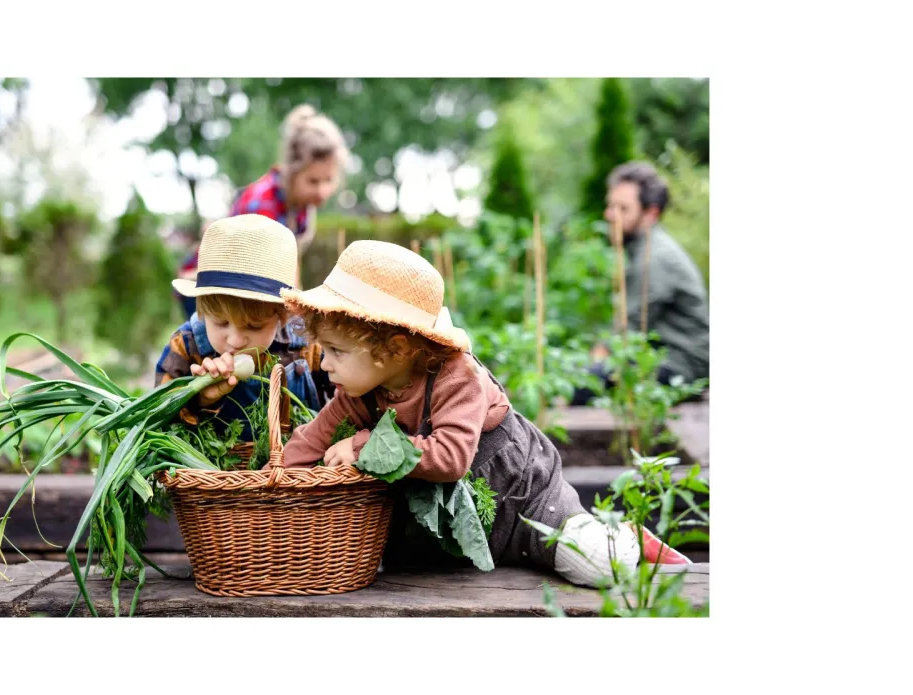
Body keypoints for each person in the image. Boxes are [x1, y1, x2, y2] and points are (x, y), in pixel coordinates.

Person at [255, 239, 688, 588]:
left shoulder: (455, 376)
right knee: (406, 578)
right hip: (447, 530)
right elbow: (310, 440)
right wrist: (261, 488)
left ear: (395, 350)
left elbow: (450, 457)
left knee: (596, 564)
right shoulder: (356, 388)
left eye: (335, 352)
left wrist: (363, 444)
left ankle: (623, 539)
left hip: (522, 500)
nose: (324, 363)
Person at [156, 214, 333, 444]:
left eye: (254, 326)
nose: (236, 340)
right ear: (202, 311)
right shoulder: (186, 347)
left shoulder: (308, 343)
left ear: (283, 316)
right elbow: (159, 421)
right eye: (221, 322)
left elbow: (351, 400)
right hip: (218, 478)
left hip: (299, 475)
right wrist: (200, 397)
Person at [174, 104, 348, 319]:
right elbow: (260, 272)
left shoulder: (301, 206)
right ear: (292, 172)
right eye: (313, 181)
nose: (322, 191)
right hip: (209, 288)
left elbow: (290, 263)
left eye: (328, 180)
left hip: (250, 288)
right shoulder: (262, 203)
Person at [570, 161, 710, 406]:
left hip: (683, 367)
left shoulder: (655, 258)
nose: (610, 215)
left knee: (582, 386)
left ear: (651, 213)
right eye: (610, 205)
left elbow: (627, 331)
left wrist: (588, 371)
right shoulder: (645, 247)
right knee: (580, 374)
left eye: (622, 208)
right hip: (664, 357)